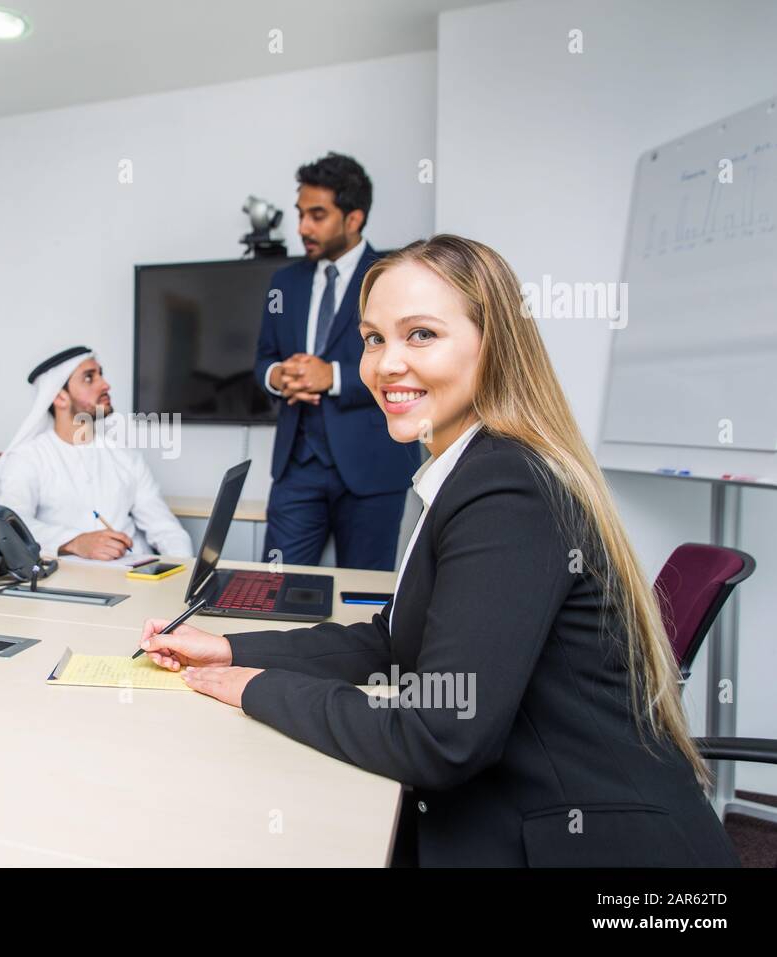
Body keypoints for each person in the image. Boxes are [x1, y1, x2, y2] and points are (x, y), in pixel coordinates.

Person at [138, 235, 737, 867]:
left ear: (494, 344)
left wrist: (255, 688)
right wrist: (230, 648)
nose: (386, 364)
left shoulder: (507, 489)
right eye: (373, 338)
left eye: (420, 334)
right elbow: (394, 642)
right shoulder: (473, 468)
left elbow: (441, 737)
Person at [256, 152, 420, 569]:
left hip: (373, 467)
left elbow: (413, 364)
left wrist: (333, 377)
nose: (302, 228)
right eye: (300, 214)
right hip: (296, 469)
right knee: (274, 587)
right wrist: (280, 377)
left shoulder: (393, 276)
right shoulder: (284, 283)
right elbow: (263, 360)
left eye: (317, 215)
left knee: (363, 599)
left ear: (353, 219)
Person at [0, 346, 193, 561]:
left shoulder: (127, 457)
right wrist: (75, 542)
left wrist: (183, 571)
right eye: (89, 378)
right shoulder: (27, 459)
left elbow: (165, 528)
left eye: (100, 375)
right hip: (66, 583)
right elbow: (11, 524)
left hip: (135, 575)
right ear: (59, 397)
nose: (105, 385)